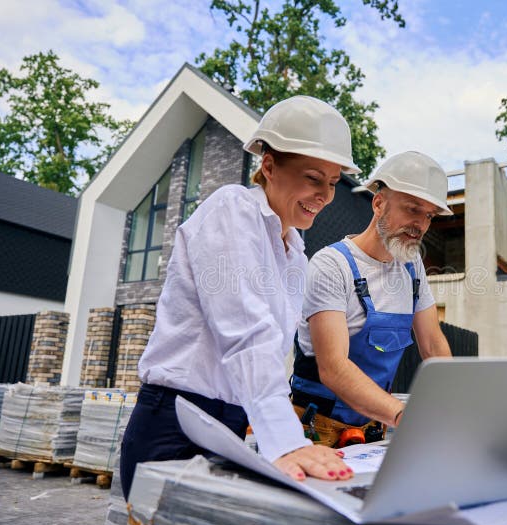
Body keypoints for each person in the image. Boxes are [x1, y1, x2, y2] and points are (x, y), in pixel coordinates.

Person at [120, 95, 358, 499]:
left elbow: (271, 350)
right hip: (175, 424)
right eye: (314, 178)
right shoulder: (230, 210)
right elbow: (246, 331)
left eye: (333, 184)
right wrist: (286, 440)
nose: (325, 195)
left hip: (228, 426)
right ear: (268, 166)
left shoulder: (295, 252)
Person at [290, 151, 453, 447]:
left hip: (372, 431)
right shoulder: (331, 265)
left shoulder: (411, 267)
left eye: (428, 215)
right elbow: (334, 368)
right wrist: (405, 416)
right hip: (316, 432)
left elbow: (433, 343)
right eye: (412, 209)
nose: (420, 225)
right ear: (378, 203)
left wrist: (457, 404)